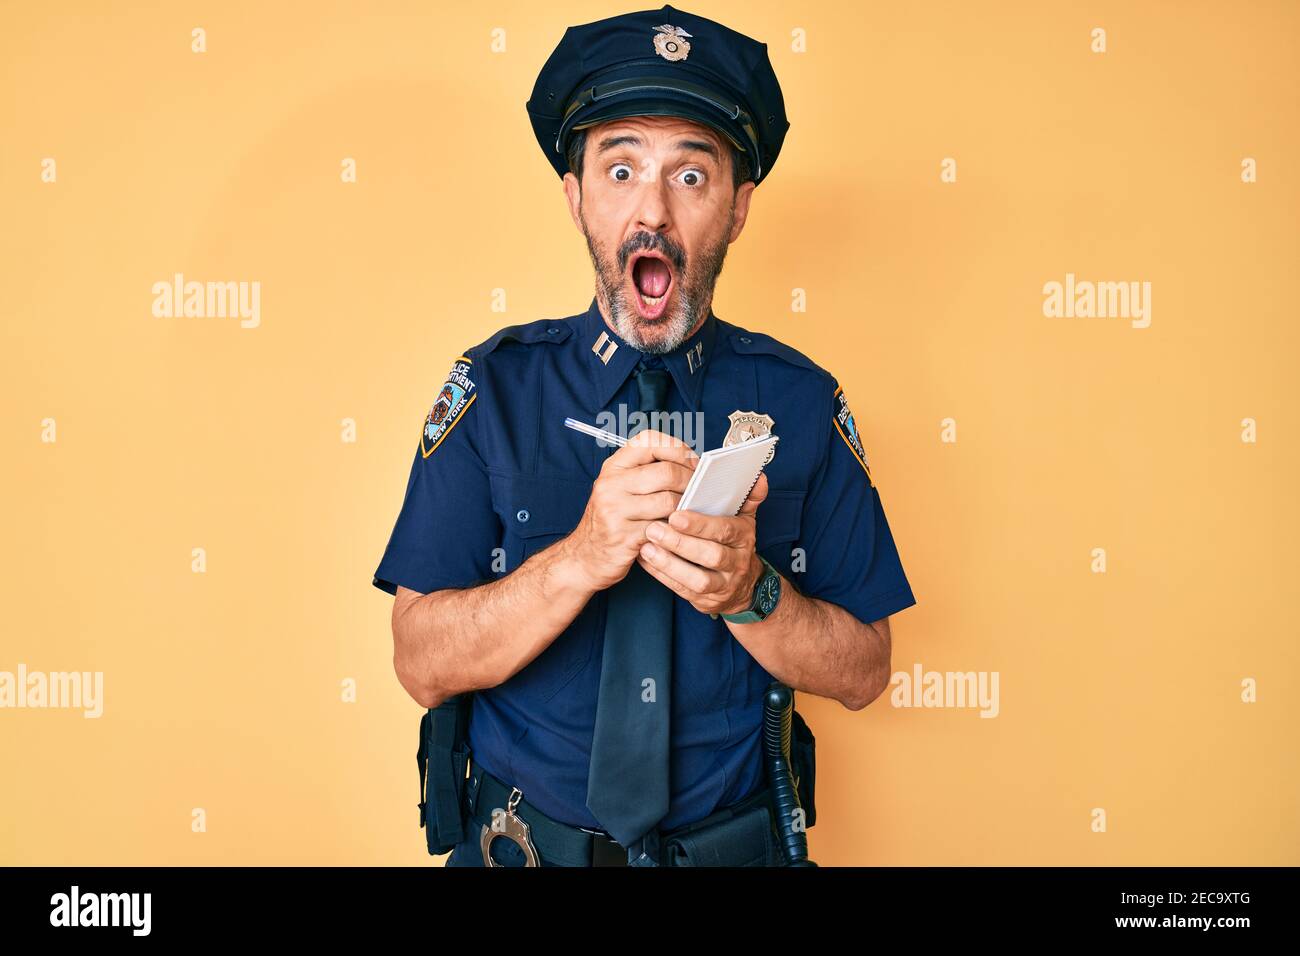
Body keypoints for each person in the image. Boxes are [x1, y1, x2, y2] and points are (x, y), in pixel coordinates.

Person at [373, 3, 917, 867]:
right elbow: (420, 664)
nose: (652, 212)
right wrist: (579, 557)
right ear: (576, 197)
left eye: (691, 177)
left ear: (739, 207)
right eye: (620, 170)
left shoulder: (804, 402)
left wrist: (751, 591)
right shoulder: (492, 389)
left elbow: (865, 672)